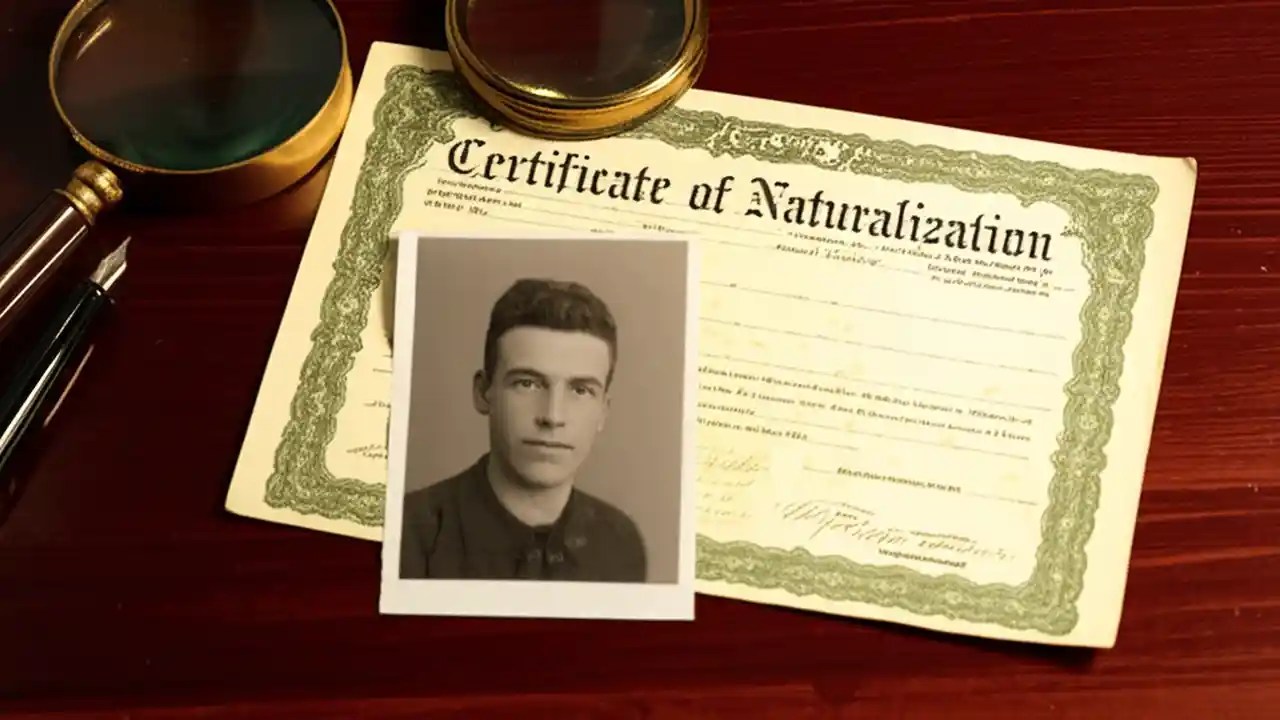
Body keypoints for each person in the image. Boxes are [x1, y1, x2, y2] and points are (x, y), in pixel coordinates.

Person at [399, 277, 648, 582]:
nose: (552, 416)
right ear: (483, 392)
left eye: (580, 390)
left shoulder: (620, 543)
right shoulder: (407, 532)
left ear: (603, 412)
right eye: (527, 383)